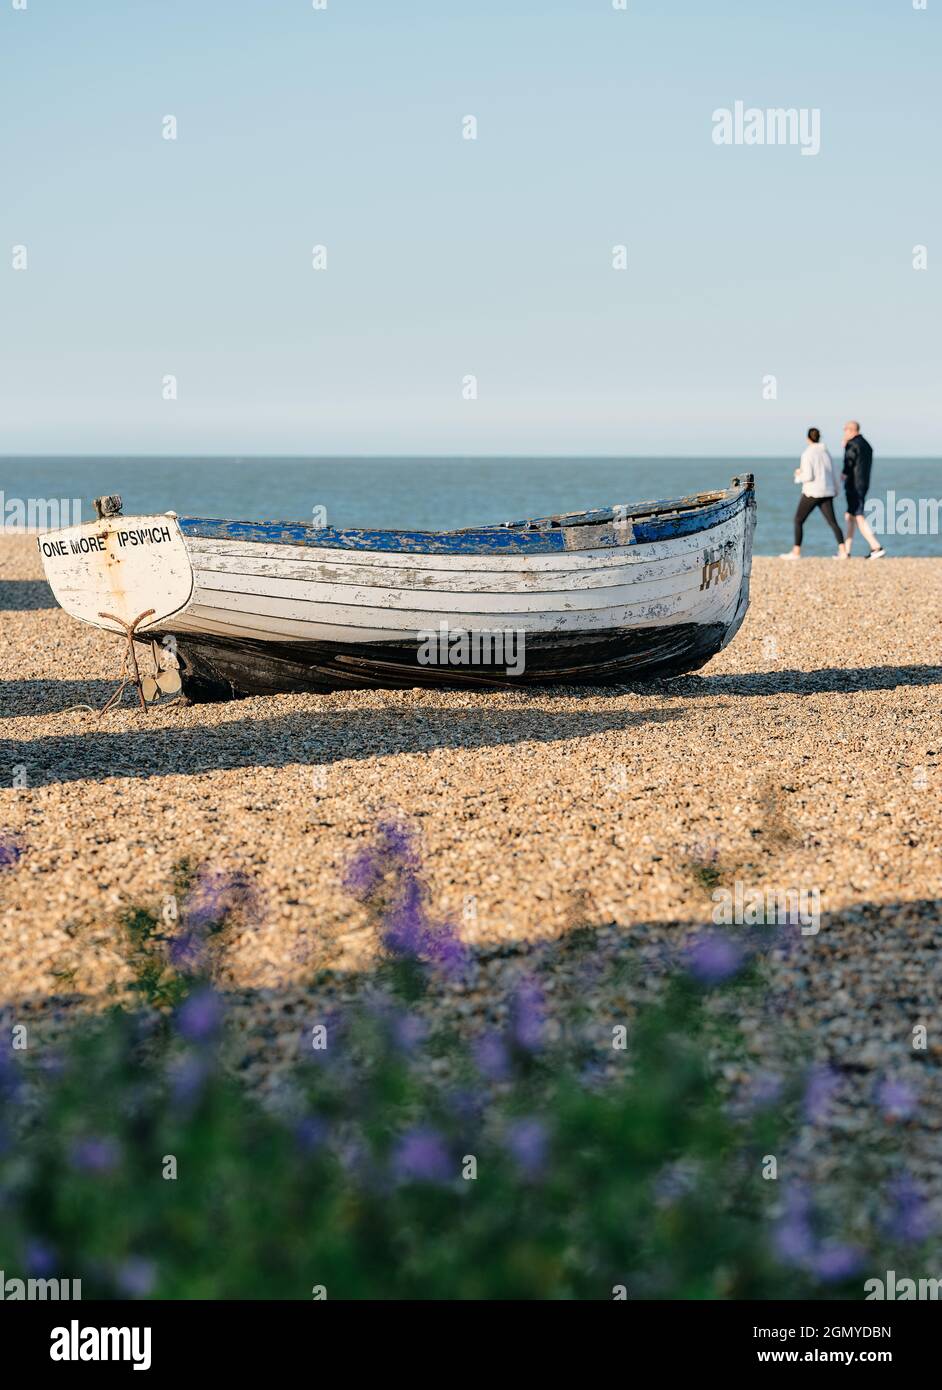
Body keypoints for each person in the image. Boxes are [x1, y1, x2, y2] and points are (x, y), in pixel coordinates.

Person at [781, 428, 847, 558]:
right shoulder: (826, 452)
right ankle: (843, 551)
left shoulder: (807, 453)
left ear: (808, 438)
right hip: (827, 491)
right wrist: (837, 490)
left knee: (798, 520)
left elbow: (808, 476)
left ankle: (796, 552)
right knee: (833, 522)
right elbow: (834, 472)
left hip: (812, 492)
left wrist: (798, 474)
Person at [842, 421, 886, 557]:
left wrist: (843, 474)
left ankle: (876, 547)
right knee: (850, 516)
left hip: (854, 485)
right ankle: (846, 551)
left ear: (851, 430)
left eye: (845, 430)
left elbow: (849, 463)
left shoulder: (852, 444)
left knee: (858, 515)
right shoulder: (866, 444)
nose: (844, 432)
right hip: (863, 483)